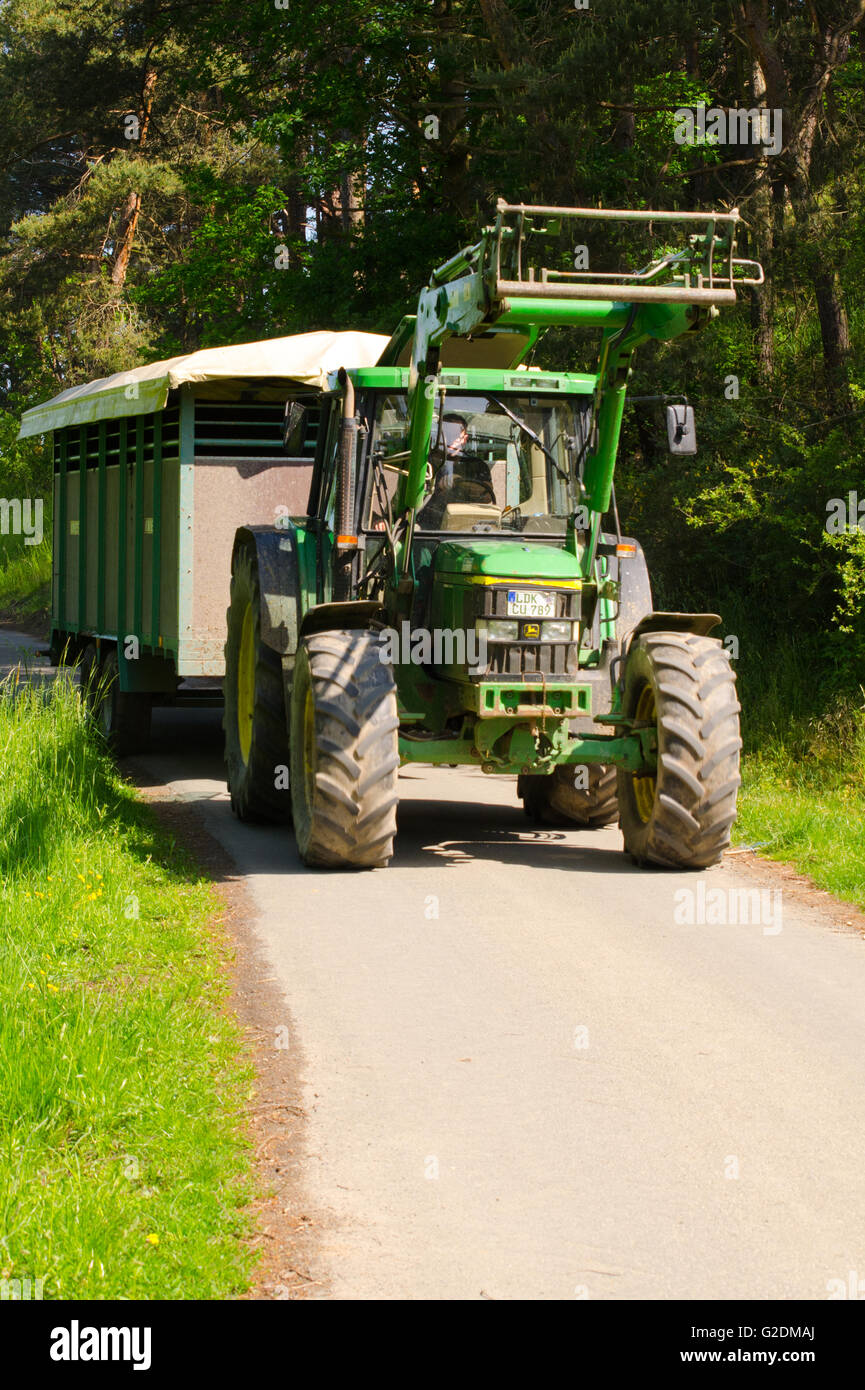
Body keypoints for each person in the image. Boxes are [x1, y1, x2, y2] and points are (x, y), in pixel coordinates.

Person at [416, 413, 496, 529]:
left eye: (455, 435)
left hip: (466, 528)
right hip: (428, 529)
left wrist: (459, 481)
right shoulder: (424, 464)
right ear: (438, 436)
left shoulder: (477, 465)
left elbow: (487, 496)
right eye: (446, 434)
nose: (449, 440)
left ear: (464, 440)